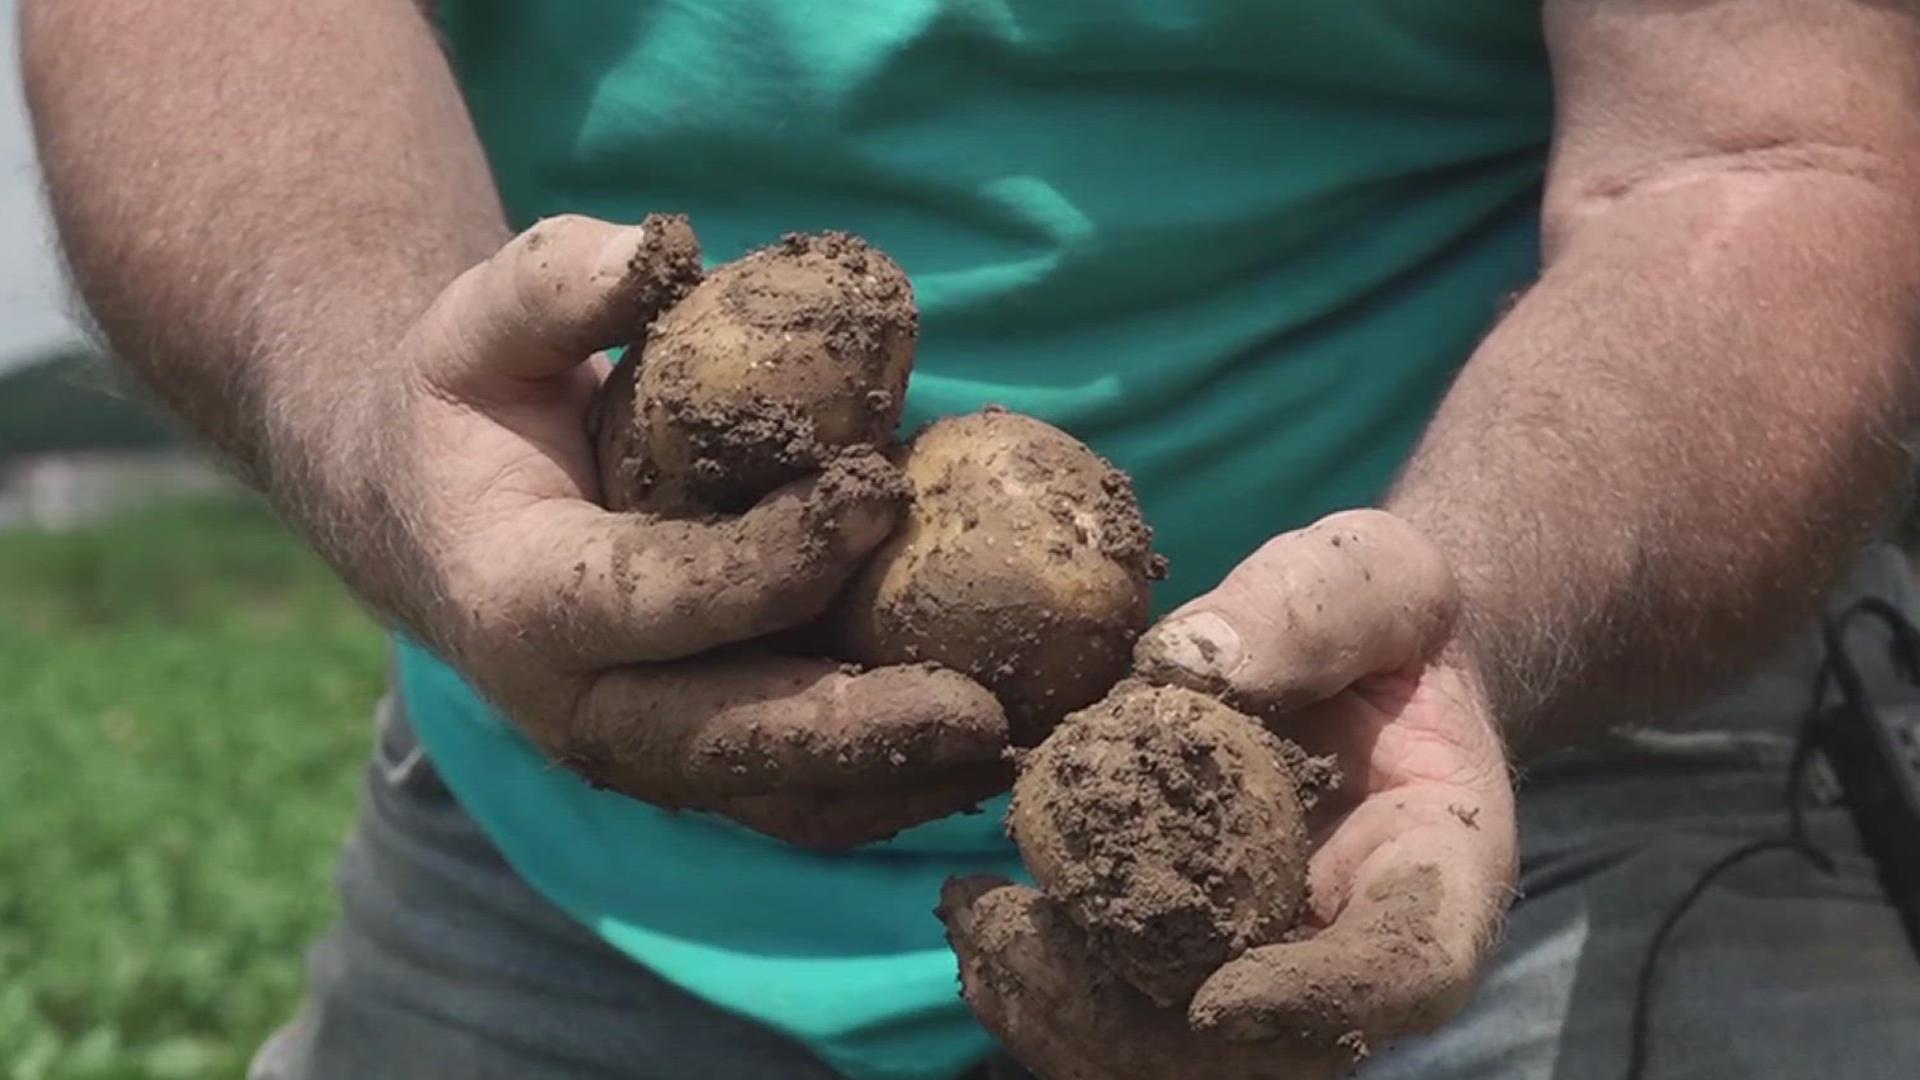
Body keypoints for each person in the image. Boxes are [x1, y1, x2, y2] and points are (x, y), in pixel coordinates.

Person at [21, 1, 1920, 1077]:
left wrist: (1478, 627)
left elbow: (1765, 150)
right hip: (554, 836)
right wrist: (395, 424)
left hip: (1525, 776)